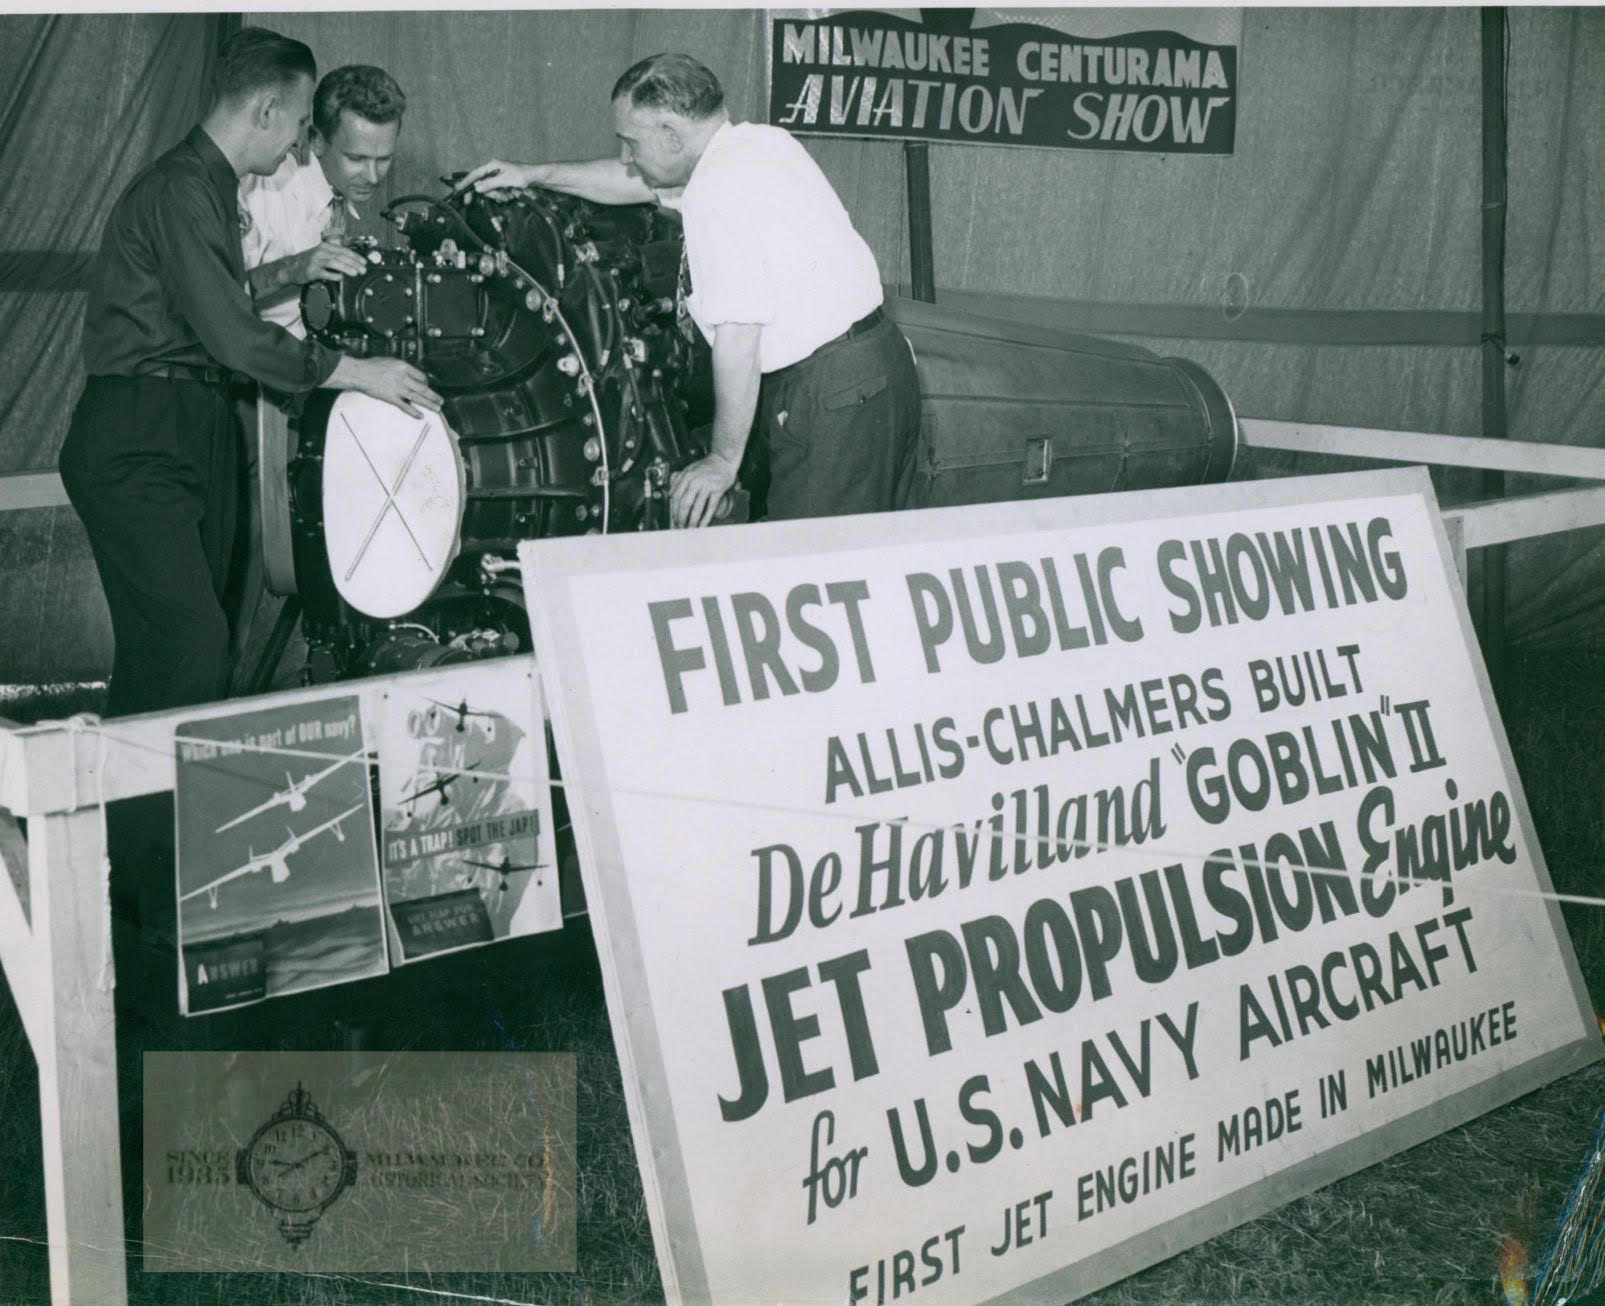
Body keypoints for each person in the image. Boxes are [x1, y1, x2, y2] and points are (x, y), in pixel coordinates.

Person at [58, 27, 439, 718]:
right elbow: (235, 334)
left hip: (190, 426)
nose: (298, 145)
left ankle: (145, 821)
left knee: (182, 652)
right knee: (189, 643)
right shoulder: (179, 191)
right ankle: (142, 822)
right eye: (298, 125)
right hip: (142, 430)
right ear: (266, 111)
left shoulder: (209, 187)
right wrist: (352, 371)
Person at [461, 52, 920, 528]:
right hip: (878, 369)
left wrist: (721, 462)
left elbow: (738, 339)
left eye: (630, 141)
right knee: (871, 557)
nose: (626, 156)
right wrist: (534, 174)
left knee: (811, 569)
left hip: (830, 395)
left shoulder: (716, 192)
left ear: (672, 135)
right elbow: (634, 183)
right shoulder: (759, 143)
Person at [228, 64, 408, 683]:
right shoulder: (264, 195)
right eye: (357, 158)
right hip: (257, 402)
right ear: (316, 142)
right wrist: (294, 267)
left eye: (385, 159)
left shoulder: (346, 210)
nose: (374, 176)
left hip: (317, 397)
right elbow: (217, 305)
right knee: (253, 570)